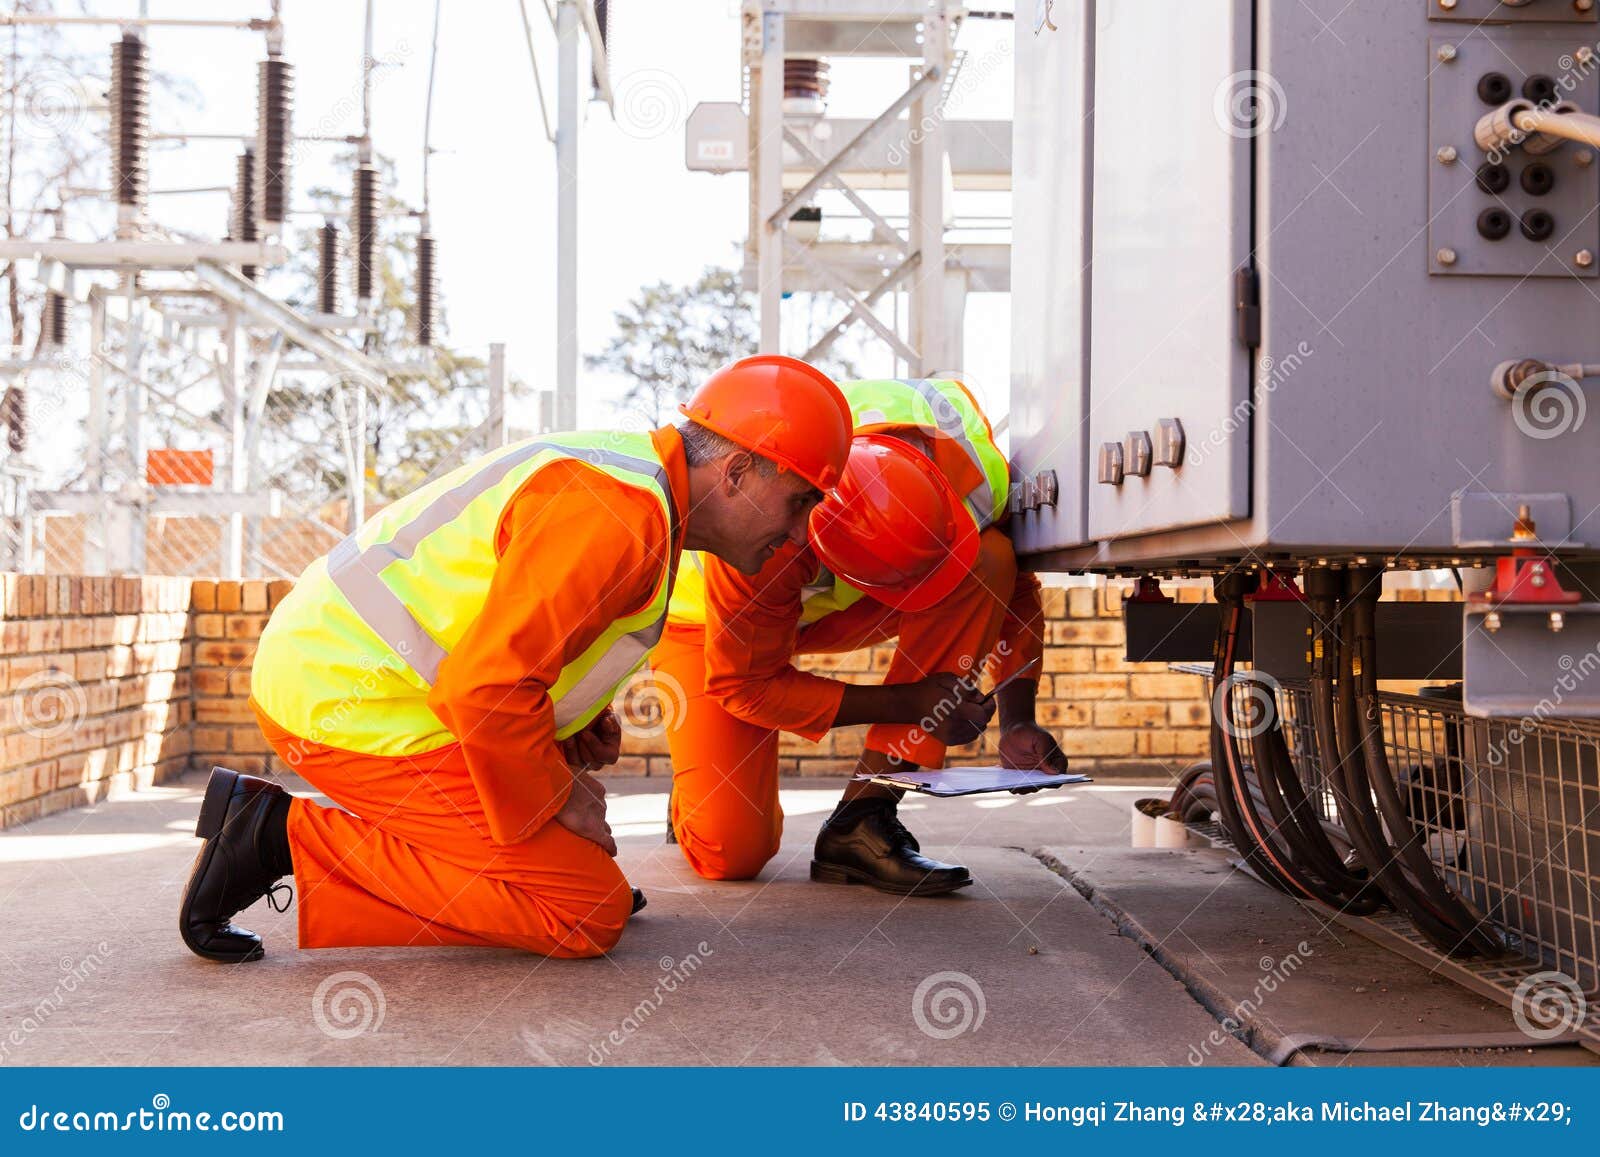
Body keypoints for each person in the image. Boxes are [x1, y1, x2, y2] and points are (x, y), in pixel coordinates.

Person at [178, 355, 852, 963]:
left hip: (368, 681)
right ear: (736, 472)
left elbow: (511, 626)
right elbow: (485, 687)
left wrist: (574, 718)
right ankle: (275, 835)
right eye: (799, 503)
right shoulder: (618, 512)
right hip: (342, 699)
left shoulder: (639, 490)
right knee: (584, 910)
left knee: (567, 849)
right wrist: (554, 798)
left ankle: (526, 863)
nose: (800, 534)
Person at [653, 377, 1069, 896]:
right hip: (711, 628)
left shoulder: (976, 475)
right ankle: (694, 794)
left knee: (990, 557)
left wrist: (1018, 718)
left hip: (840, 610)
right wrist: (909, 702)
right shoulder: (761, 537)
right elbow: (746, 686)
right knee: (731, 853)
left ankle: (864, 816)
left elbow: (1016, 585)